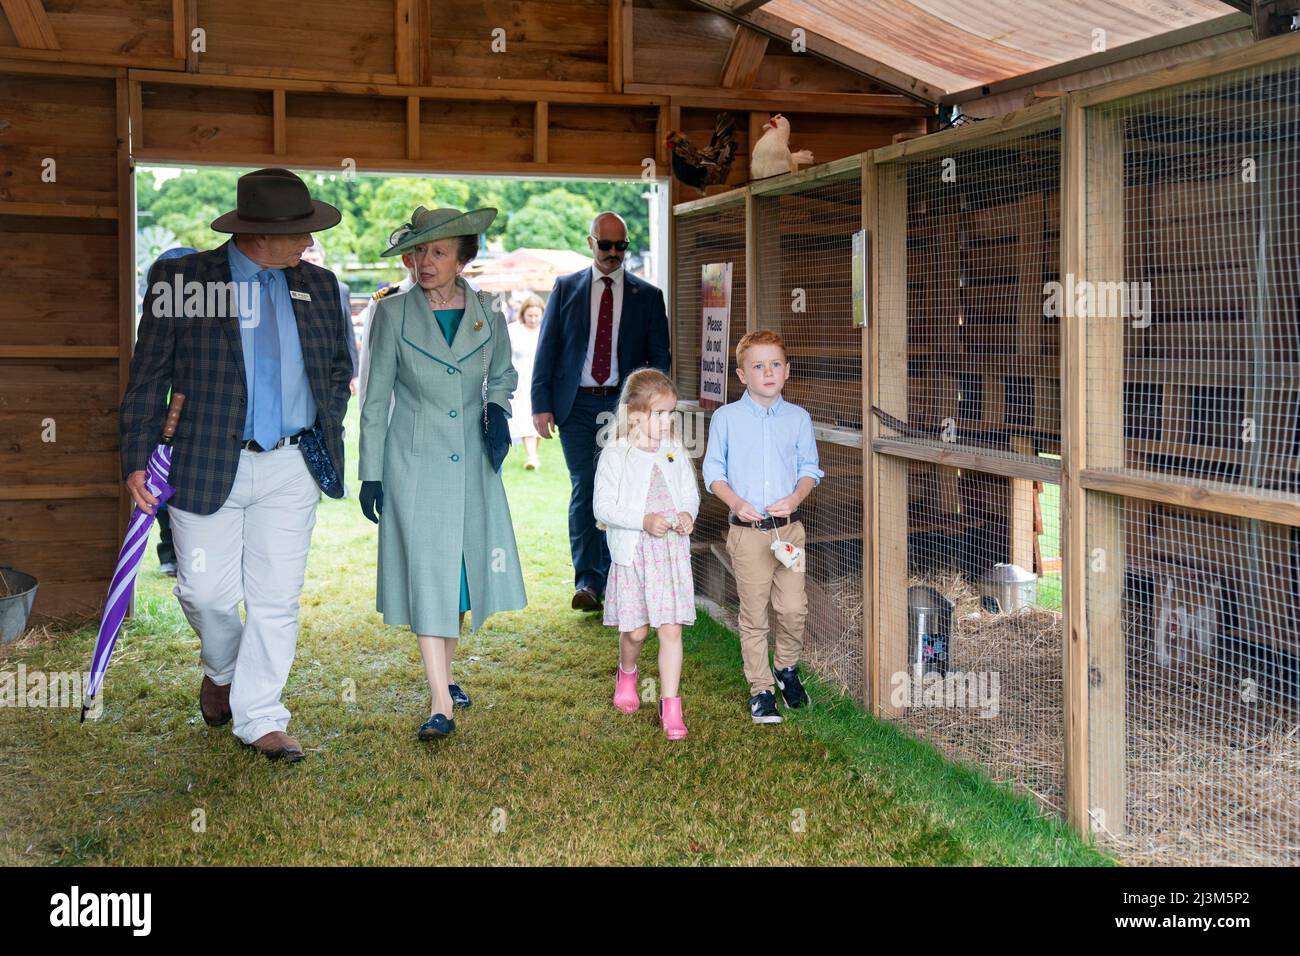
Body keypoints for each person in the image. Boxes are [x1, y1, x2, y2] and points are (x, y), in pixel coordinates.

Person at [119, 167, 352, 761]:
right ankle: (221, 669)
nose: (309, 241)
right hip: (205, 462)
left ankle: (261, 717)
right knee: (206, 594)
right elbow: (148, 377)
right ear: (258, 235)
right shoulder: (184, 280)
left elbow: (335, 371)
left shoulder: (320, 286)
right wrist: (137, 459)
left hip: (293, 463)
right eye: (299, 231)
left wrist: (328, 420)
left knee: (276, 598)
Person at [358, 206, 527, 741]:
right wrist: (371, 472)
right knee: (427, 573)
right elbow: (374, 396)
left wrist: (498, 410)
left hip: (473, 462)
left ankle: (445, 678)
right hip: (412, 463)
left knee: (456, 580)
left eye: (437, 252)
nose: (423, 262)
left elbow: (503, 373)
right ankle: (440, 703)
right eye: (418, 252)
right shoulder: (390, 314)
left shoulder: (490, 313)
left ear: (462, 258)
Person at [531, 212, 671, 614]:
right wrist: (541, 404)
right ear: (590, 243)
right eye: (606, 245)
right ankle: (588, 581)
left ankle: (619, 577)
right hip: (576, 405)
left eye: (621, 246)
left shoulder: (648, 296)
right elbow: (549, 349)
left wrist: (651, 408)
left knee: (623, 488)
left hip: (622, 406)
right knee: (586, 487)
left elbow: (659, 358)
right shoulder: (565, 288)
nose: (614, 254)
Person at [701, 329, 824, 725]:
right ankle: (761, 689)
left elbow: (809, 470)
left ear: (787, 371)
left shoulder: (799, 418)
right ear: (742, 375)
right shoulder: (727, 418)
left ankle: (786, 668)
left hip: (788, 531)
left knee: (792, 609)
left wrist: (796, 498)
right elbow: (713, 472)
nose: (767, 372)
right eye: (758, 366)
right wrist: (736, 502)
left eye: (775, 365)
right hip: (747, 533)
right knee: (754, 614)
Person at [593, 369, 698, 740]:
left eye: (671, 413)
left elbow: (689, 493)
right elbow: (602, 508)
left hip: (669, 554)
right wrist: (643, 520)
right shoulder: (616, 454)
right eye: (660, 413)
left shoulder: (674, 451)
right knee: (636, 633)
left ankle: (671, 708)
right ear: (635, 413)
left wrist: (687, 514)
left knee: (670, 629)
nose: (668, 421)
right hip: (635, 555)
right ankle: (627, 673)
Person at [148, 245, 198, 577]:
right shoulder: (156, 320)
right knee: (162, 487)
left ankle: (188, 552)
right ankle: (170, 550)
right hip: (163, 421)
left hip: (194, 421)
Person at [300, 242, 358, 390]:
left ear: (323, 260)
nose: (312, 264)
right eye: (307, 261)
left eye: (315, 260)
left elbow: (348, 333)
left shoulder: (340, 289)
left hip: (332, 366)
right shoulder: (289, 287)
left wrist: (354, 373)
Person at [355, 272, 414, 411]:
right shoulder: (385, 298)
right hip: (398, 412)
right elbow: (369, 363)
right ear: (406, 258)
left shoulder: (470, 295)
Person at [508, 293, 544, 470]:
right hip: (520, 380)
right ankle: (532, 456)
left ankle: (533, 455)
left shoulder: (545, 331)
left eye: (537, 315)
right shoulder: (513, 330)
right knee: (523, 416)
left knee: (538, 417)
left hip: (539, 380)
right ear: (523, 314)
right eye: (530, 315)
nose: (533, 319)